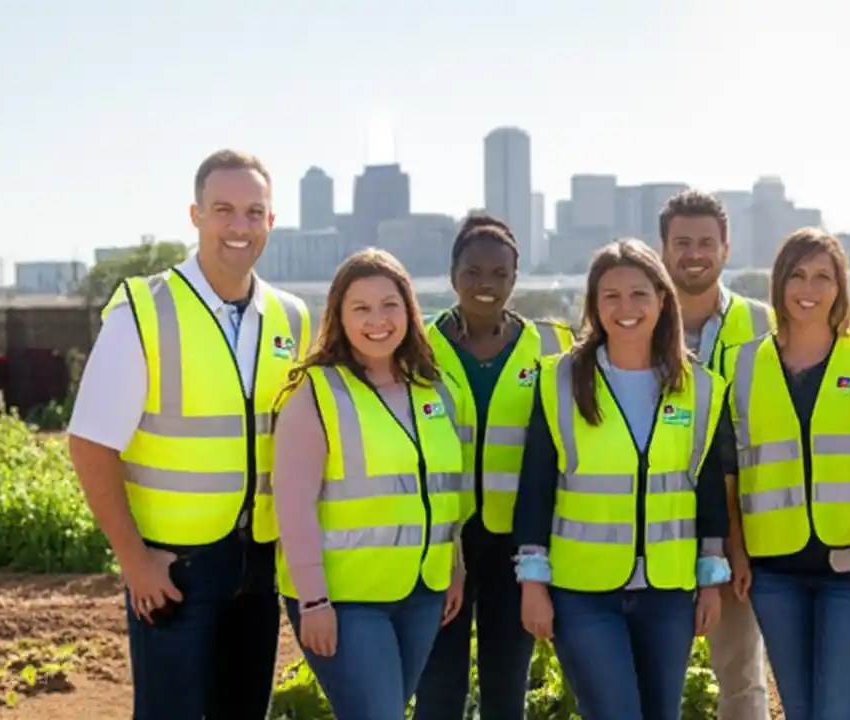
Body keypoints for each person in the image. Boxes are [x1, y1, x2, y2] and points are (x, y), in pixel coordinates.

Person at [67, 149, 311, 719]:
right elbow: (90, 443)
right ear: (195, 215)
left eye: (254, 212)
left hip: (257, 566)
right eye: (223, 209)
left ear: (271, 222)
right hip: (174, 569)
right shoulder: (143, 310)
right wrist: (134, 562)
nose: (239, 226)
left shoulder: (293, 318)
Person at [512, 238, 732, 720]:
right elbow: (535, 488)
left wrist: (711, 579)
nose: (626, 308)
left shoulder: (701, 387)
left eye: (639, 294)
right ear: (593, 305)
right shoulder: (559, 381)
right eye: (610, 296)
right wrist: (532, 581)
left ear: (662, 299)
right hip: (583, 592)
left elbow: (708, 489)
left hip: (667, 592)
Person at [271, 248, 467, 719]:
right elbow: (293, 506)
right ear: (338, 316)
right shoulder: (316, 393)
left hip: (422, 592)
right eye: (360, 308)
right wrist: (314, 601)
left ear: (409, 311)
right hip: (345, 600)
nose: (377, 320)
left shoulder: (435, 389)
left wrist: (455, 562)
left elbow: (442, 488)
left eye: (389, 305)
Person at [723, 228, 850, 719]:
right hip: (774, 570)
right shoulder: (745, 364)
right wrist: (736, 548)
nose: (809, 289)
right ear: (778, 284)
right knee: (798, 711)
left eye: (823, 276)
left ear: (841, 287)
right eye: (797, 275)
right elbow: (731, 466)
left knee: (837, 712)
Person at [415, 216, 574, 720]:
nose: (485, 284)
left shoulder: (554, 348)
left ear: (515, 277)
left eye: (499, 274)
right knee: (439, 688)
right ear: (452, 273)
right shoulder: (415, 346)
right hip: (442, 538)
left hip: (517, 541)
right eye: (473, 271)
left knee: (507, 687)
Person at [657, 189, 774, 720]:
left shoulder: (765, 323)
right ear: (663, 249)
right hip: (653, 530)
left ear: (726, 247)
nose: (694, 253)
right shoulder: (634, 316)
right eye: (682, 242)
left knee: (742, 680)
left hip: (740, 531)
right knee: (650, 682)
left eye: (706, 242)